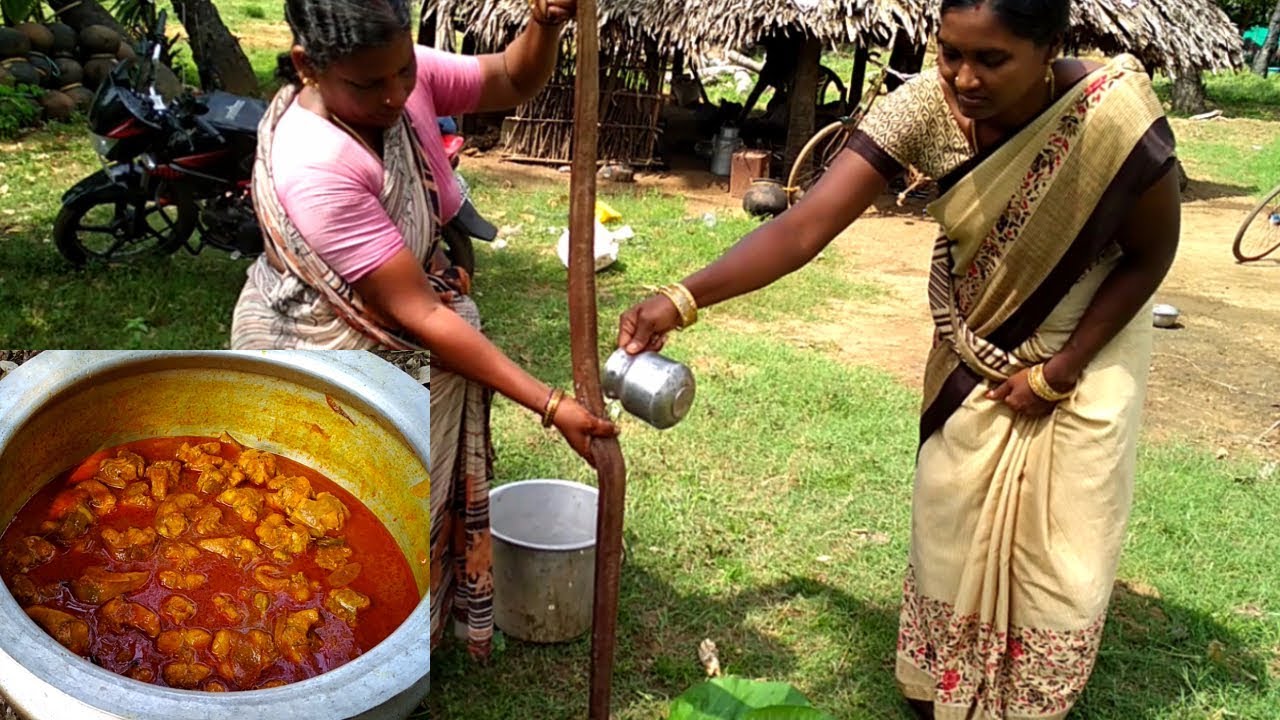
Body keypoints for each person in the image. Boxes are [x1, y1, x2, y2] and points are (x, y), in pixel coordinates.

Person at [617, 0, 1181, 717]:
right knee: (950, 515)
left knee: (1059, 544)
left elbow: (1151, 254)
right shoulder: (921, 108)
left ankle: (1031, 697)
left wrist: (1062, 367)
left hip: (1087, 352)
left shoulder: (1112, 120)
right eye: (950, 53)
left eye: (992, 59)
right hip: (976, 348)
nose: (964, 77)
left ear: (1050, 49)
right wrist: (680, 299)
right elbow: (805, 226)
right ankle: (937, 685)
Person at [230, 0, 617, 660]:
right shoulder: (315, 161)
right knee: (328, 519)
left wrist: (544, 27)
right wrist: (552, 405)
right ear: (308, 67)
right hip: (317, 348)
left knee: (409, 510)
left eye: (404, 71)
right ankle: (324, 660)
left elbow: (510, 78)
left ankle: (399, 641)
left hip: (403, 342)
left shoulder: (401, 77)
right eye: (368, 83)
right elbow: (424, 315)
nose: (394, 95)